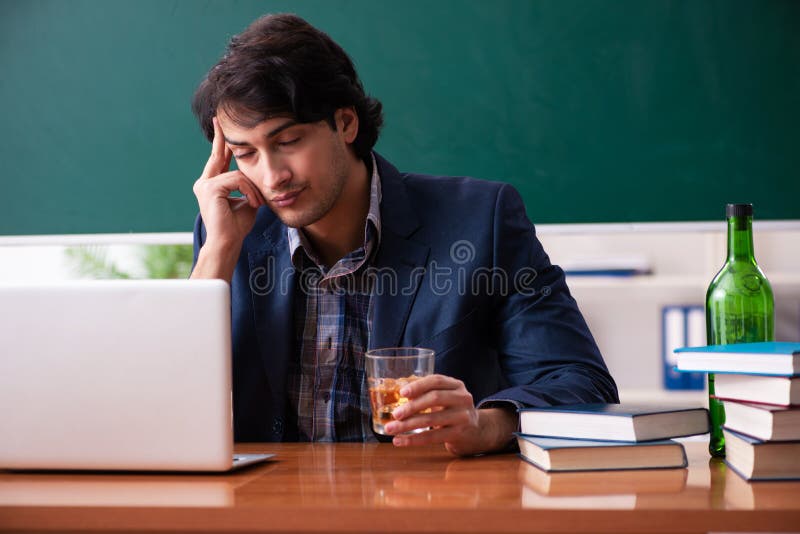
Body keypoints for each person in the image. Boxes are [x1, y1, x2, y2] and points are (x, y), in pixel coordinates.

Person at [189, 13, 618, 456]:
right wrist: (218, 252)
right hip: (268, 512)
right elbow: (166, 399)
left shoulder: (480, 219)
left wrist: (484, 425)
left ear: (346, 123)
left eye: (289, 141)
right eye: (245, 154)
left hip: (429, 509)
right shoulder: (228, 233)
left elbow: (582, 386)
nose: (272, 176)